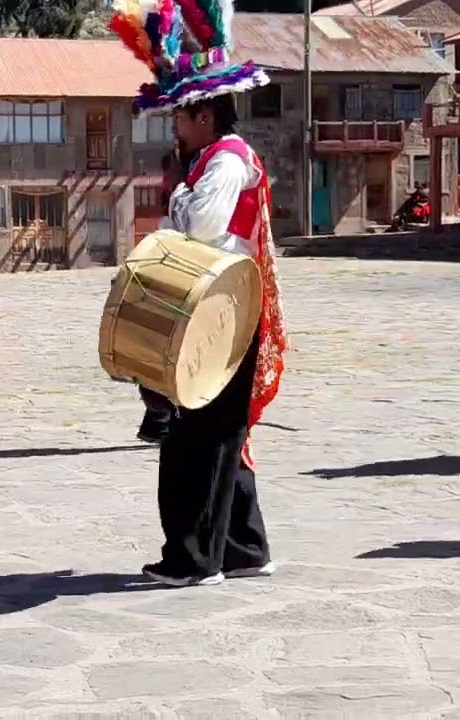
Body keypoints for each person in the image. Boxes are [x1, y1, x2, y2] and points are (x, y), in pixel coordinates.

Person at [111, 0, 288, 586]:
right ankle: (243, 547)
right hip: (223, 306)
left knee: (197, 436)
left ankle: (193, 558)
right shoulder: (213, 158)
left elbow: (201, 227)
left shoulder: (226, 161)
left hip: (221, 311)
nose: (175, 126)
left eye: (180, 118)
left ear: (205, 116)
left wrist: (175, 203)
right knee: (222, 433)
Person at [137, 147, 187, 445]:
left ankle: (164, 418)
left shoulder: (186, 199)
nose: (165, 180)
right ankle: (159, 418)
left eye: (170, 173)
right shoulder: (171, 200)